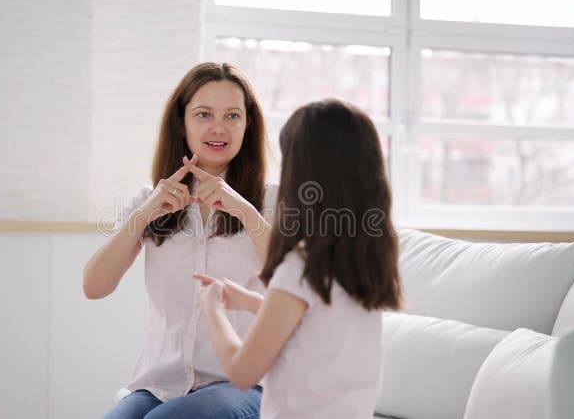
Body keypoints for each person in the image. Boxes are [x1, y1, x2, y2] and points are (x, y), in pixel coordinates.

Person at [83, 62, 276, 419]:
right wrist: (143, 217)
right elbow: (94, 286)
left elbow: (291, 288)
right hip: (161, 384)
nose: (219, 127)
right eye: (204, 114)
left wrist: (247, 214)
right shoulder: (150, 200)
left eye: (232, 116)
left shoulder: (272, 201)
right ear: (182, 122)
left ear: (247, 124)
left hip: (248, 382)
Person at [194, 99, 404, 418]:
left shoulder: (300, 268)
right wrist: (253, 302)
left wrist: (212, 308)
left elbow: (241, 372)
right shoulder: (362, 263)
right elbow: (318, 326)